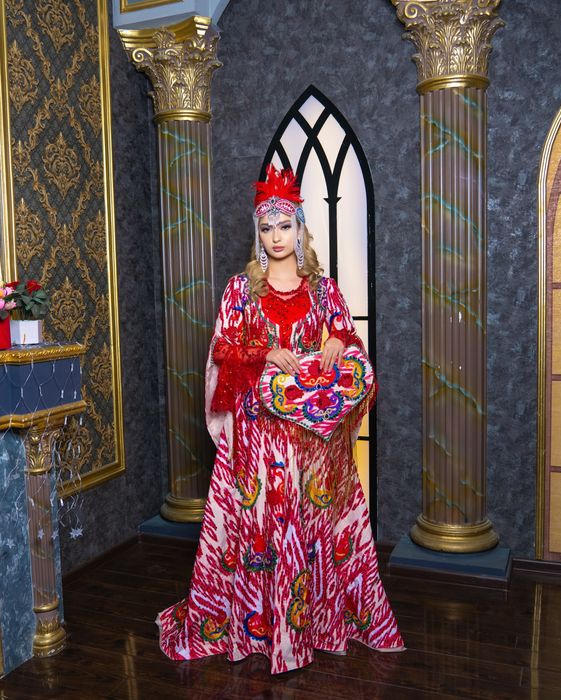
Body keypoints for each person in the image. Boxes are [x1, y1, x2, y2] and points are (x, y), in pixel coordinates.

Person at [157, 165, 404, 674]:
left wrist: (338, 341)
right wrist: (266, 352)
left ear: (300, 229)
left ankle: (314, 627)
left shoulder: (324, 290)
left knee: (311, 523)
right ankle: (260, 629)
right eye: (267, 228)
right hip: (258, 436)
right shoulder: (240, 290)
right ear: (258, 234)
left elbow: (349, 343)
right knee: (261, 528)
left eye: (285, 226)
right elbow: (222, 348)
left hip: (310, 439)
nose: (276, 237)